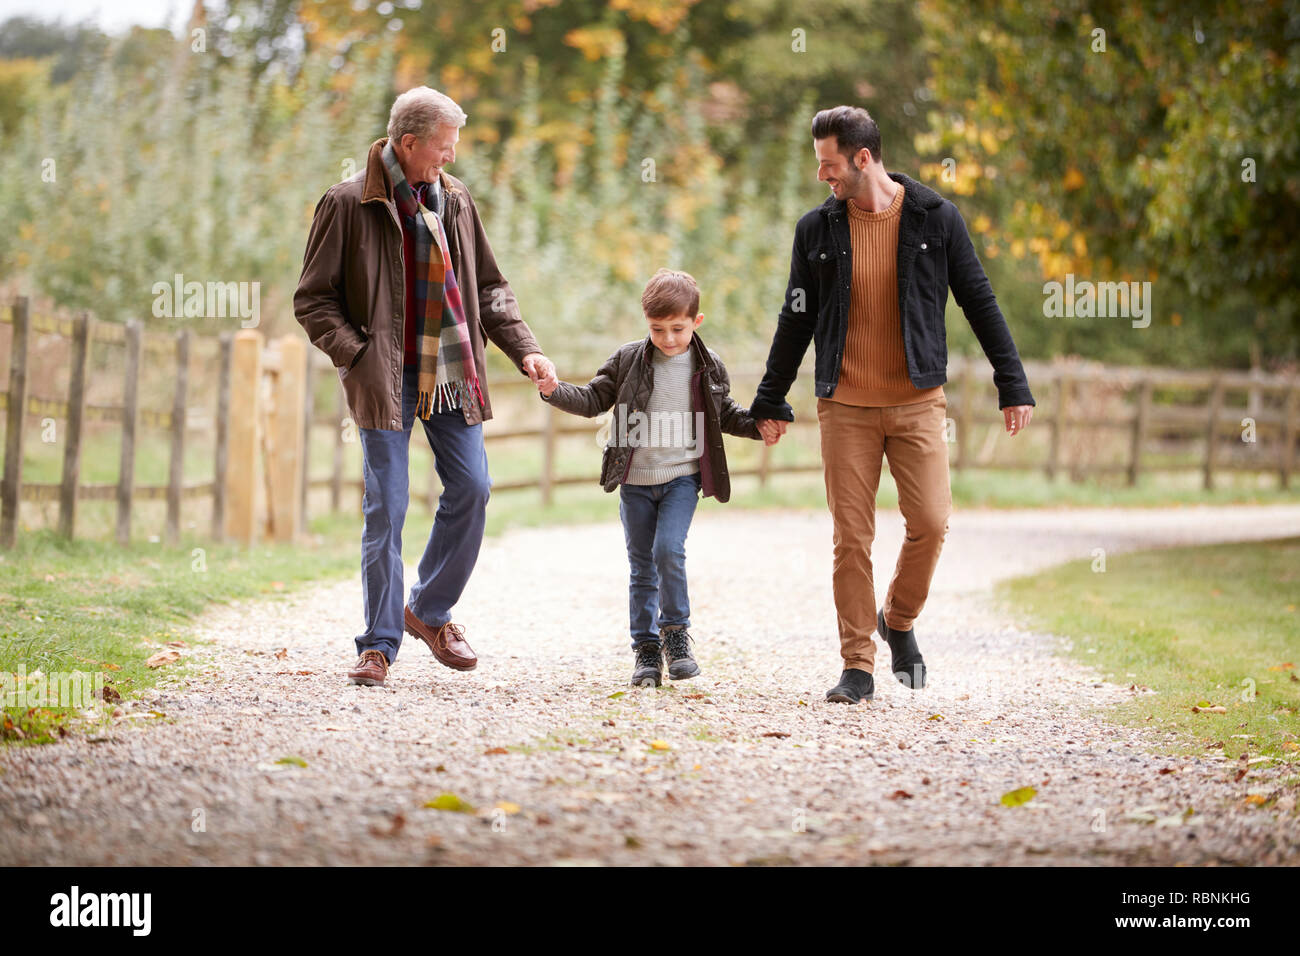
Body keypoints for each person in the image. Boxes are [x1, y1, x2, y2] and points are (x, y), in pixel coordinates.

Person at [749, 105, 1036, 705]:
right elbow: (796, 316)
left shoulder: (936, 219)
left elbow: (979, 300)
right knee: (851, 537)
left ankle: (898, 617)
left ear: (862, 158)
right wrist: (770, 397)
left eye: (829, 165)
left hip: (917, 402)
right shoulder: (817, 230)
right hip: (845, 406)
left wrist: (1012, 382)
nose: (822, 177)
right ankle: (858, 663)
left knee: (931, 523)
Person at [294, 86, 558, 687]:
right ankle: (379, 644)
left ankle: (428, 610)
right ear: (408, 143)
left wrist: (528, 349)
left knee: (474, 488)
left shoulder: (457, 202)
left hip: (453, 373)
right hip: (383, 378)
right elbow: (313, 301)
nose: (451, 158)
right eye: (443, 147)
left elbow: (490, 289)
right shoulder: (345, 204)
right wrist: (357, 354)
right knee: (386, 508)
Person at [538, 269, 763, 687]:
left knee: (667, 550)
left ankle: (676, 635)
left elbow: (726, 414)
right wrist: (553, 389)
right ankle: (645, 650)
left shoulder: (708, 365)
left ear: (696, 322)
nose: (668, 338)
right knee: (641, 566)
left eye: (677, 328)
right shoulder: (628, 360)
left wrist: (758, 426)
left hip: (682, 477)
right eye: (657, 329)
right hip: (635, 480)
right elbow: (591, 400)